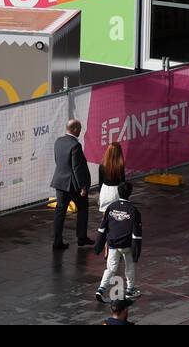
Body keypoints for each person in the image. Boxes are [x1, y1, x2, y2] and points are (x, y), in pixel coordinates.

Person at [94, 181, 143, 303]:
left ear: (118, 192)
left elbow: (102, 228)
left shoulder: (111, 207)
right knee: (129, 266)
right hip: (127, 245)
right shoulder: (133, 210)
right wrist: (136, 253)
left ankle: (101, 289)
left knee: (110, 268)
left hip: (112, 244)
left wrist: (98, 246)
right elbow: (137, 234)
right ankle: (130, 290)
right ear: (130, 193)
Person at [51, 119, 93, 250]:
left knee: (60, 212)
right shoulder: (75, 145)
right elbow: (77, 168)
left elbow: (58, 161)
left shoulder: (58, 141)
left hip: (60, 183)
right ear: (74, 129)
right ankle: (81, 237)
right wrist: (82, 187)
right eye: (79, 128)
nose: (80, 131)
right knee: (83, 208)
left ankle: (57, 241)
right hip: (73, 185)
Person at [97, 142, 126, 212]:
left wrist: (100, 195)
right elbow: (123, 182)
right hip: (116, 192)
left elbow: (100, 183)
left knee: (105, 215)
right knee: (117, 215)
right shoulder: (120, 166)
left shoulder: (102, 166)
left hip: (105, 191)